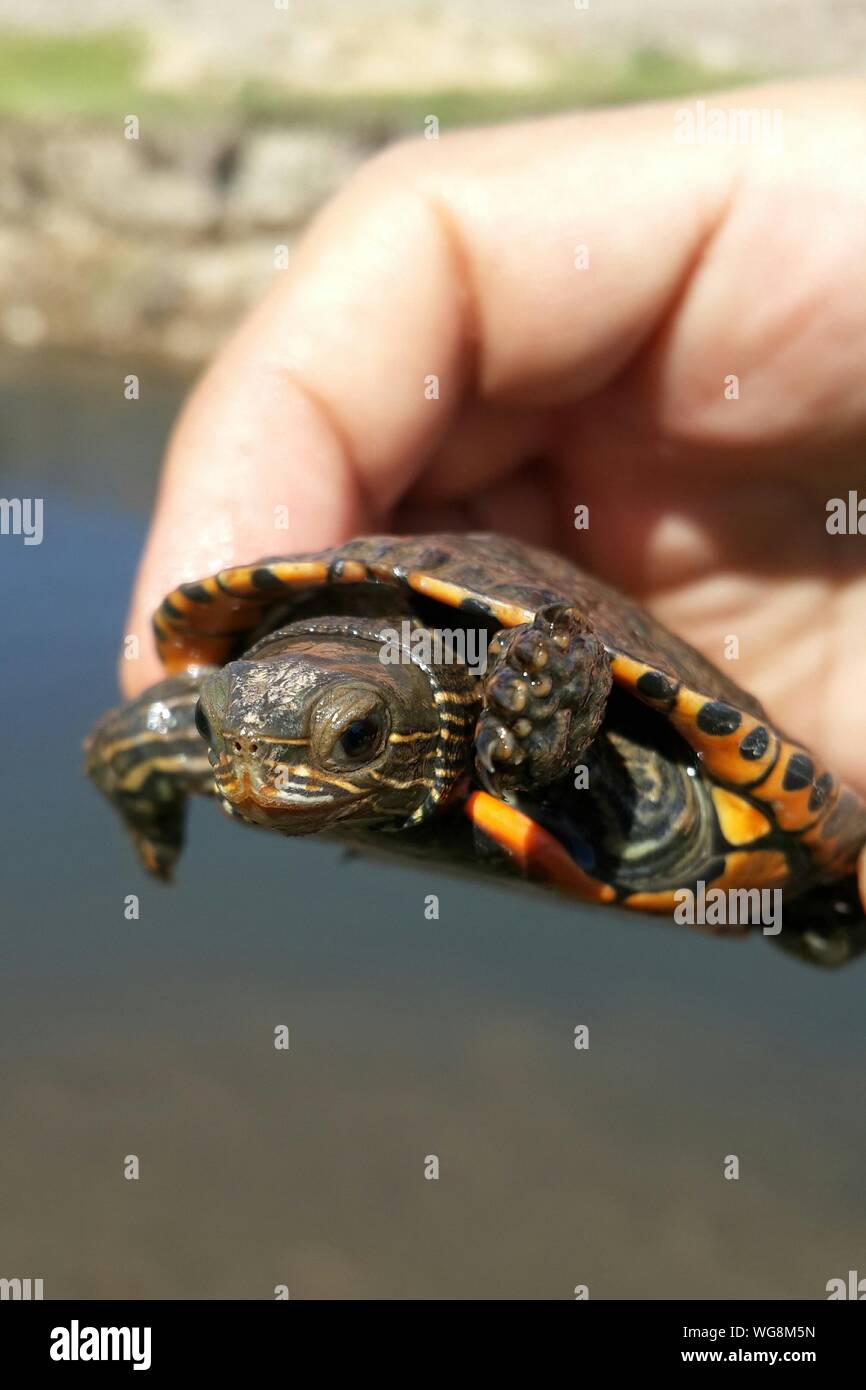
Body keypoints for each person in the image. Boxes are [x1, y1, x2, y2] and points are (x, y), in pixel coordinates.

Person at [120, 78, 866, 821]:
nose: (249, 765)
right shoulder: (269, 711)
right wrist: (150, 758)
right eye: (217, 728)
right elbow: (179, 712)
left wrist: (529, 730)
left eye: (353, 737)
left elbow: (563, 651)